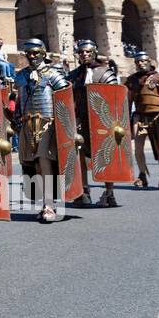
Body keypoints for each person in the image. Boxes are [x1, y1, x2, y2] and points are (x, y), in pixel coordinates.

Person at [12, 38, 69, 223]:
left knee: (44, 160)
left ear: (43, 53)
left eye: (36, 52)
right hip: (27, 125)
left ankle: (49, 205)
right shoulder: (21, 76)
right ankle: (44, 201)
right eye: (29, 52)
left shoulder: (54, 74)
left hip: (48, 125)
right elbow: (19, 101)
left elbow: (64, 100)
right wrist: (15, 119)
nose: (32, 55)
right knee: (32, 164)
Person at [66, 39, 120, 207]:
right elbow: (68, 98)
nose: (84, 54)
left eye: (88, 51)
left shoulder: (105, 73)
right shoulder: (74, 75)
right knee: (79, 155)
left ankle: (109, 192)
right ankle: (83, 191)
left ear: (94, 52)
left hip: (101, 122)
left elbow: (114, 99)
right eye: (81, 52)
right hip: (81, 121)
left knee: (104, 156)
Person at [125, 51, 159, 189]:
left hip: (158, 117)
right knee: (138, 148)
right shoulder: (132, 80)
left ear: (149, 62)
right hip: (140, 117)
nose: (140, 63)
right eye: (138, 61)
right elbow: (127, 100)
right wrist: (126, 119)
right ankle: (142, 175)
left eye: (143, 61)